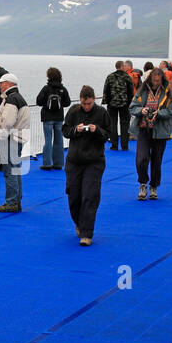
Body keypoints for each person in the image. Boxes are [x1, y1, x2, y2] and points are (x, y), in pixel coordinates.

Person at [63, 85, 110, 246]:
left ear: (94, 100)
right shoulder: (74, 111)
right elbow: (65, 130)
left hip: (94, 161)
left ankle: (87, 233)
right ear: (80, 100)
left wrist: (97, 130)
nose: (87, 107)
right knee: (73, 196)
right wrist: (76, 130)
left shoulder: (102, 113)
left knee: (90, 196)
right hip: (74, 161)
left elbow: (108, 135)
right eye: (84, 104)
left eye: (89, 104)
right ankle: (79, 222)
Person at [130, 66, 172, 200]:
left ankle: (154, 186)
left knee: (157, 161)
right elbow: (132, 107)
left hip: (160, 132)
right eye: (154, 81)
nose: (156, 83)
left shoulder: (169, 93)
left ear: (162, 80)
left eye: (158, 81)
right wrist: (141, 110)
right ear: (150, 80)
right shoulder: (142, 90)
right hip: (144, 129)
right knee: (141, 159)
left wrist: (160, 113)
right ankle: (143, 183)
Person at [0, 72, 33, 213]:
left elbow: (8, 122)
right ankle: (17, 199)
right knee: (15, 169)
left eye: (1, 82)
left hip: (10, 139)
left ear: (9, 84)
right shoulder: (19, 98)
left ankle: (11, 202)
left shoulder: (11, 100)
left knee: (9, 170)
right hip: (18, 138)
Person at [35, 67, 71, 170]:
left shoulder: (46, 89)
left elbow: (38, 101)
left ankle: (47, 163)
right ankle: (58, 163)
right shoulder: (63, 89)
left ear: (49, 76)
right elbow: (67, 102)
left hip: (47, 117)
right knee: (59, 141)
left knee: (48, 140)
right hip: (59, 117)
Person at [102, 60, 134, 152]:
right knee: (125, 125)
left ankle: (114, 145)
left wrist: (107, 102)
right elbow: (130, 92)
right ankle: (125, 146)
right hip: (125, 104)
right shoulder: (127, 77)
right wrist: (130, 103)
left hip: (112, 104)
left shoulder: (110, 76)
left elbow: (106, 90)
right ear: (122, 67)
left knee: (112, 124)